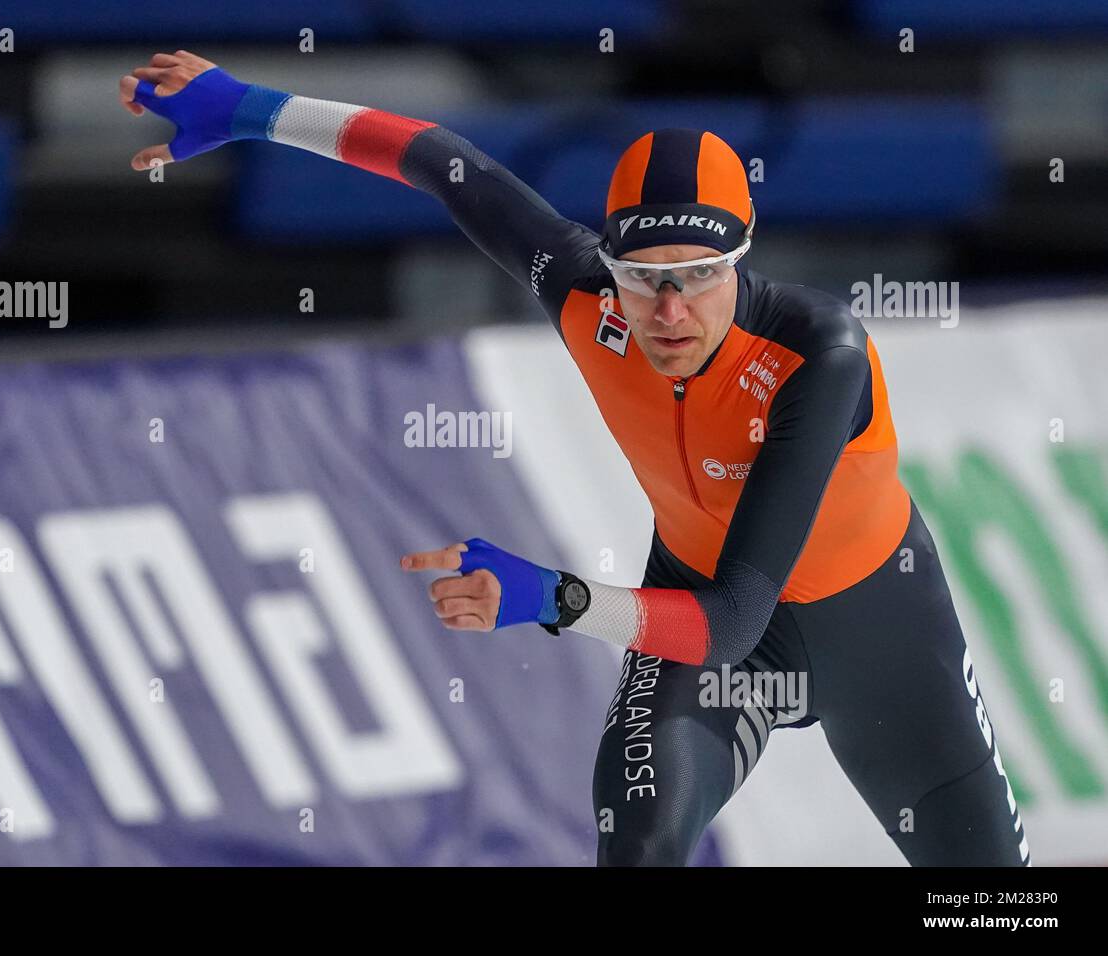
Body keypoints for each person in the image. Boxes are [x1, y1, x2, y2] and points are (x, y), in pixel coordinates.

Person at [122, 50, 1029, 866]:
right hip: (696, 609)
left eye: (699, 276)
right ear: (609, 263)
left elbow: (731, 624)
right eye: (642, 278)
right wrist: (249, 109)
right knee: (637, 847)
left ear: (742, 260)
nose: (669, 312)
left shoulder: (816, 353)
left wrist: (552, 599)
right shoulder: (583, 293)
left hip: (873, 634)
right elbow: (441, 162)